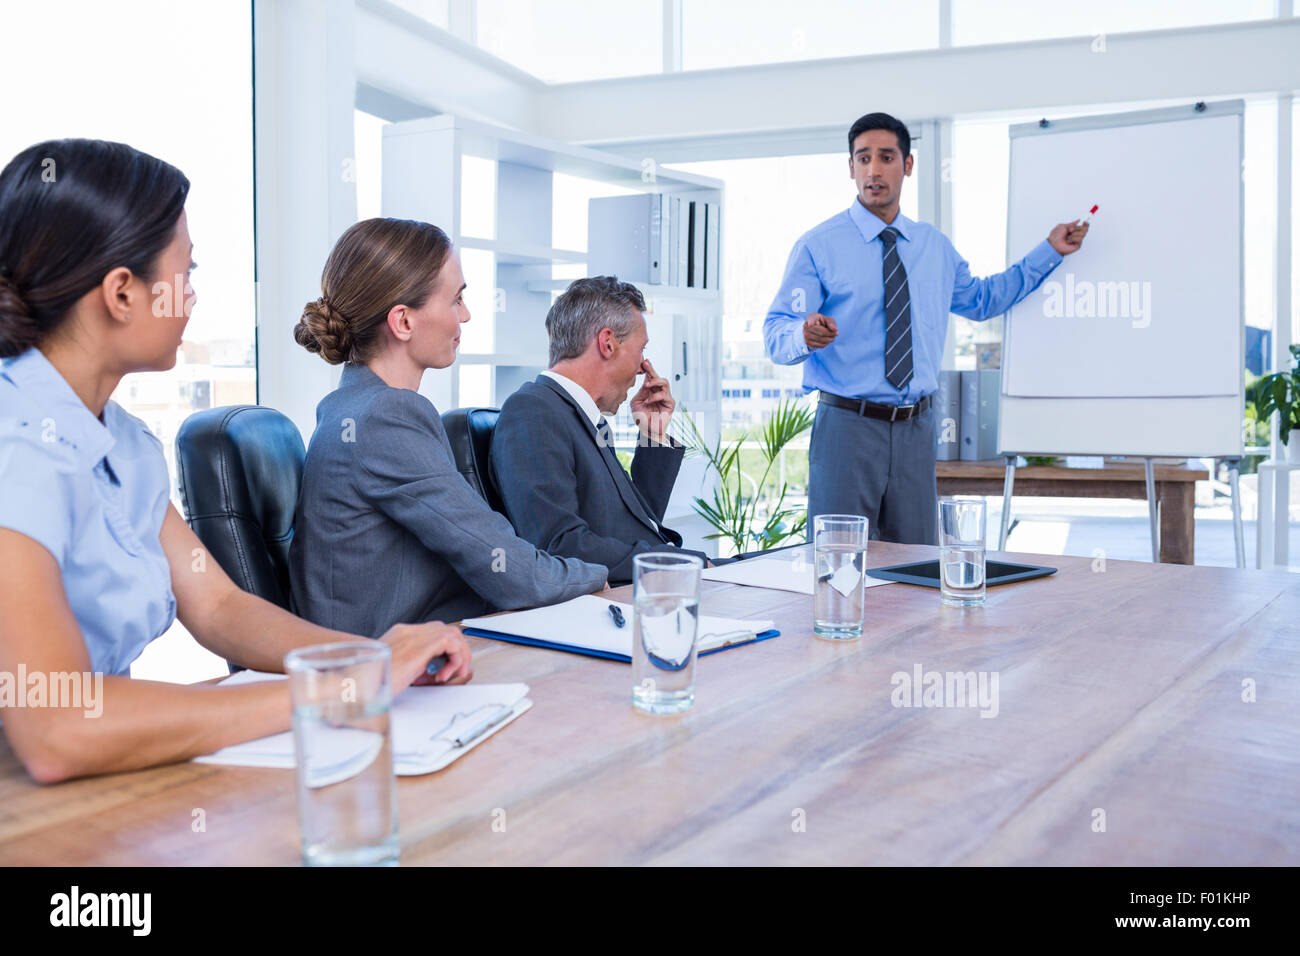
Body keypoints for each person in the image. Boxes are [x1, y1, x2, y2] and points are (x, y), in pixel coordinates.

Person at [0, 139, 471, 785]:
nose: (193, 296)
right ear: (121, 293)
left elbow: (219, 607)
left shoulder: (122, 442)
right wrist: (333, 689)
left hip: (98, 779)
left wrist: (367, 659)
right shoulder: (15, 446)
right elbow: (58, 729)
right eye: (185, 272)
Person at [764, 111, 1090, 544]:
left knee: (915, 568)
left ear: (908, 165)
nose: (874, 170)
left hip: (917, 429)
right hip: (847, 428)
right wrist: (803, 336)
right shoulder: (817, 246)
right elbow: (776, 332)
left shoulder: (934, 247)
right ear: (850, 168)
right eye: (863, 159)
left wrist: (1049, 251)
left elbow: (983, 299)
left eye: (886, 157)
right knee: (839, 565)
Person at [290, 219, 607, 631]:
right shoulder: (385, 419)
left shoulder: (351, 406)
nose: (467, 315)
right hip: (390, 672)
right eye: (456, 300)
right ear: (403, 322)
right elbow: (509, 570)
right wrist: (600, 578)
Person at [491, 277, 708, 584]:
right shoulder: (533, 411)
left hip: (643, 583)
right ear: (608, 343)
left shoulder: (581, 416)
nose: (643, 366)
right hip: (617, 596)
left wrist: (653, 436)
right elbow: (559, 545)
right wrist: (678, 563)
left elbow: (636, 525)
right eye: (641, 349)